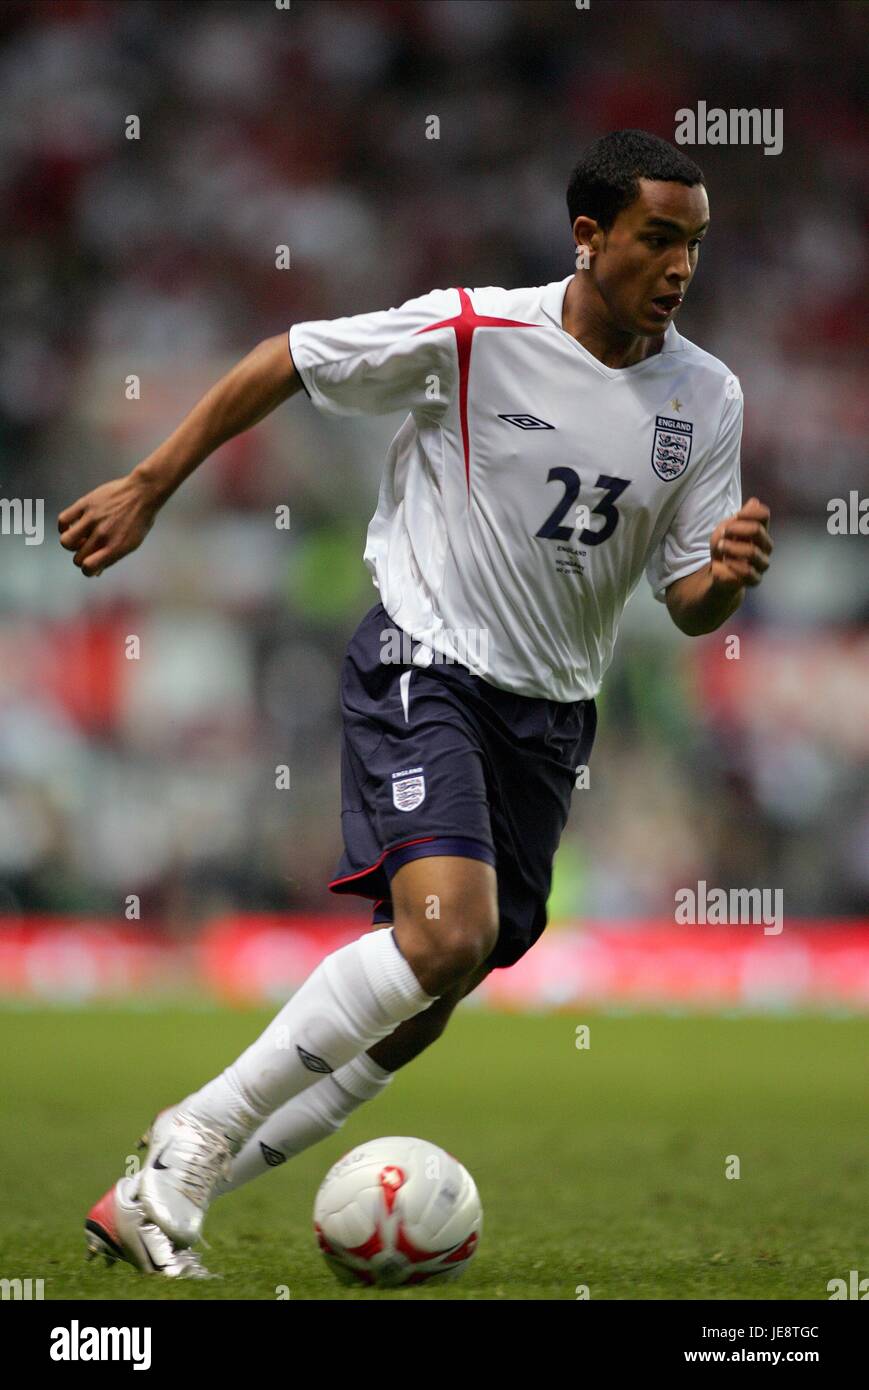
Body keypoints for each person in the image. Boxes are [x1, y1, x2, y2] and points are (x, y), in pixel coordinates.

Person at [62, 130, 772, 1278]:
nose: (680, 265)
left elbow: (684, 600)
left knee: (422, 1000)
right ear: (588, 238)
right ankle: (190, 1138)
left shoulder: (705, 394)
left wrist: (722, 580)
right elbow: (286, 355)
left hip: (550, 714)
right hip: (423, 660)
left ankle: (143, 1192)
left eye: (693, 242)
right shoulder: (475, 332)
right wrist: (152, 482)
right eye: (656, 238)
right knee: (447, 934)